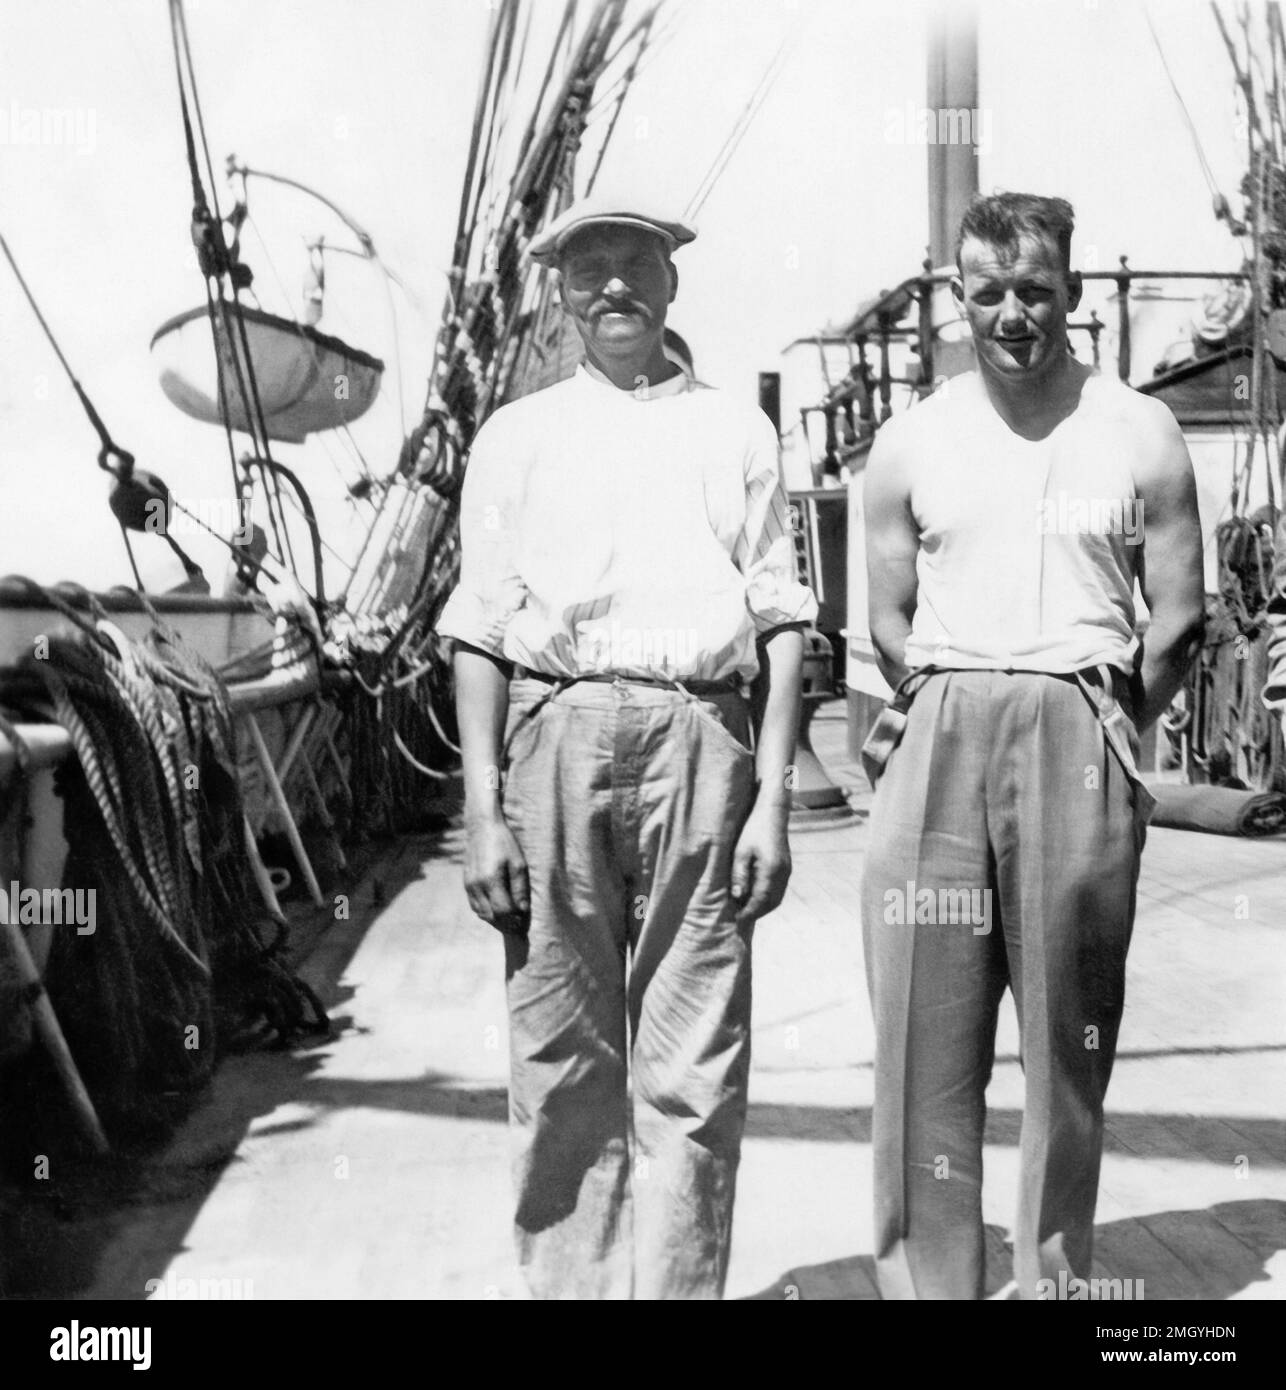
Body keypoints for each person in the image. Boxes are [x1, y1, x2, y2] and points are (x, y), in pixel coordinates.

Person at [436, 194, 817, 1300]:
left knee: (693, 1066)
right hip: (552, 734)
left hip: (702, 737)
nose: (611, 285)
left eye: (633, 264)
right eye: (587, 266)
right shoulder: (516, 436)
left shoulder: (733, 430)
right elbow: (478, 629)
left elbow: (783, 619)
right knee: (559, 1057)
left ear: (670, 284)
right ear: (558, 293)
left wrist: (773, 799)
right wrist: (480, 803)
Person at [860, 191, 1205, 1300]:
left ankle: (1052, 1280)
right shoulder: (910, 436)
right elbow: (883, 613)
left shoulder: (1136, 428)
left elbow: (1179, 611)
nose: (1014, 314)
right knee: (922, 1042)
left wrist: (1109, 725)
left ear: (1069, 293)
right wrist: (935, 703)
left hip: (1079, 715)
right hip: (944, 722)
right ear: (956, 297)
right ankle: (934, 1283)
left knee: (1068, 1043)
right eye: (989, 293)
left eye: (1037, 292)